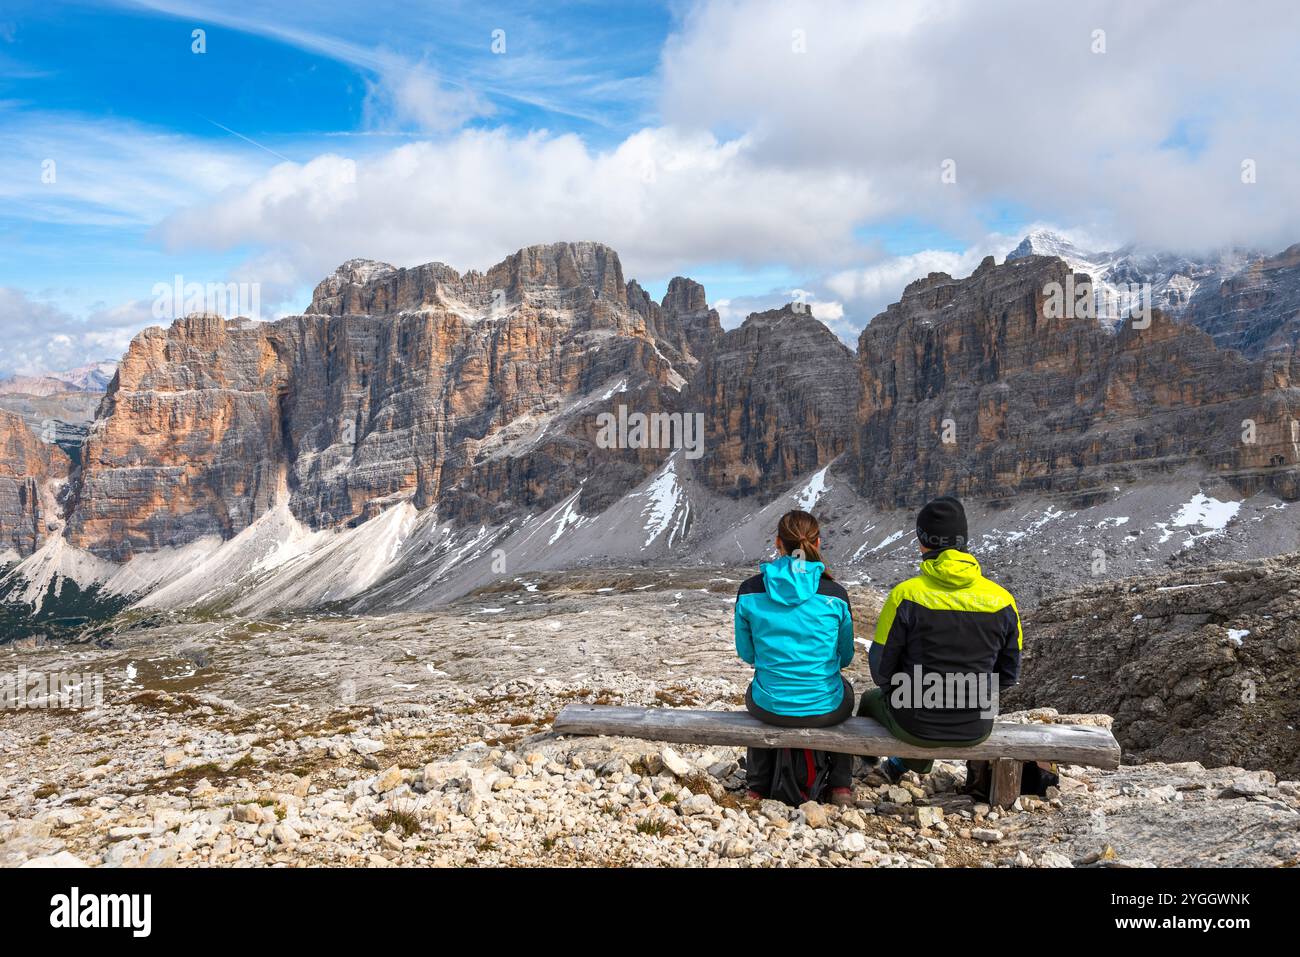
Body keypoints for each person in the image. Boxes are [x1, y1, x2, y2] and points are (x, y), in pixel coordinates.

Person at [859, 496, 1022, 784]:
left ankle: (866, 765)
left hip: (915, 723)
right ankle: (899, 765)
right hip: (977, 725)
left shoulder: (905, 595)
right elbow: (1008, 675)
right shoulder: (1003, 600)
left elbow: (880, 671)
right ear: (964, 541)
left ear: (923, 542)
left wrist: (908, 690)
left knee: (871, 699)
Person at [734, 509, 856, 806]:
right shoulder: (835, 594)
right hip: (824, 708)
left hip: (770, 706)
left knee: (761, 693)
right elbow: (846, 657)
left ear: (778, 543)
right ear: (817, 541)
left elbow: (746, 654)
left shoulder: (749, 591)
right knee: (846, 693)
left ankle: (757, 787)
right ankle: (840, 786)